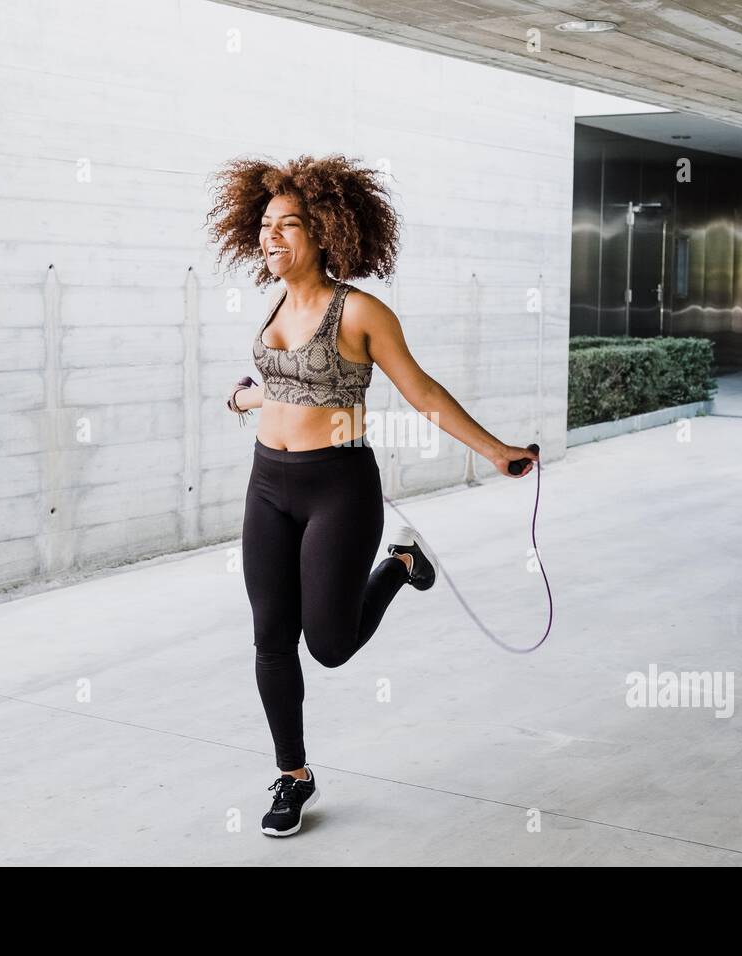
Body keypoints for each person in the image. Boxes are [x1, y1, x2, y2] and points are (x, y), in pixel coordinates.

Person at [205, 153, 538, 837]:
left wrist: (497, 451)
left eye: (288, 224)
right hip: (268, 482)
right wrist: (245, 398)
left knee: (327, 645)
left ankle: (401, 566)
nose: (271, 237)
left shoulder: (358, 311)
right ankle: (292, 774)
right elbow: (284, 382)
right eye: (265, 225)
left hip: (338, 487)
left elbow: (422, 393)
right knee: (271, 636)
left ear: (325, 232)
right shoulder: (272, 300)